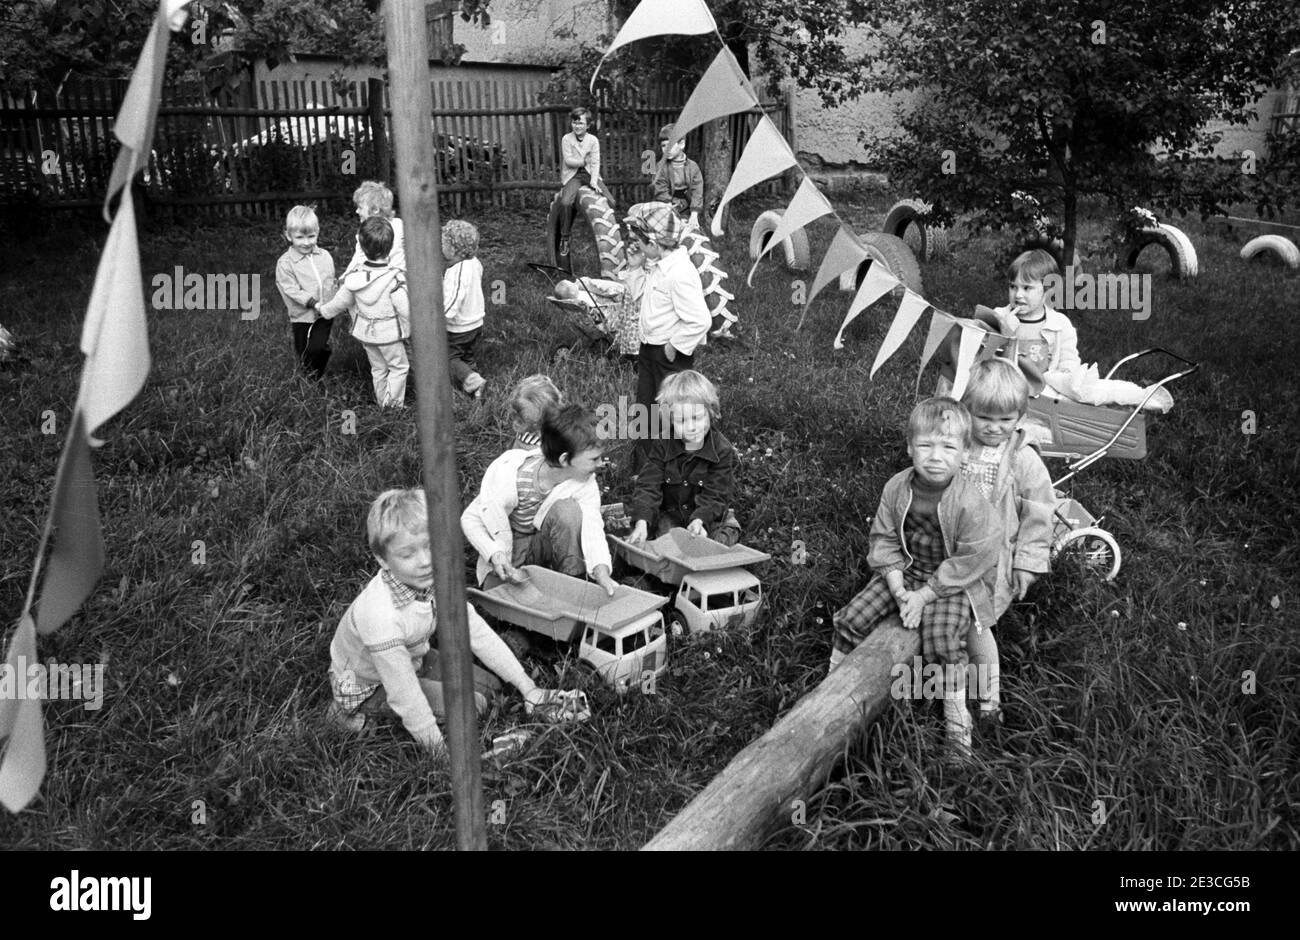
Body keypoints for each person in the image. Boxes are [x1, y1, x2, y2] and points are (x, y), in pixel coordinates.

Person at [828, 398, 1002, 757]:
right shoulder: (897, 488)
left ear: (965, 453)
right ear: (910, 447)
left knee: (940, 640)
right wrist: (898, 588)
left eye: (948, 447)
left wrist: (924, 596)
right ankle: (830, 694)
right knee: (852, 618)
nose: (935, 456)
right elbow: (884, 538)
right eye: (925, 445)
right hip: (906, 570)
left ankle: (958, 725)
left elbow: (974, 557)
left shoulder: (970, 503)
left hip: (950, 583)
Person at [326, 488, 555, 752]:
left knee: (492, 689)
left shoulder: (435, 579)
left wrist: (528, 688)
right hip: (371, 683)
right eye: (407, 554)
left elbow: (475, 632)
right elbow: (405, 695)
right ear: (382, 559)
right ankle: (350, 715)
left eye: (430, 545)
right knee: (475, 707)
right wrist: (440, 755)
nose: (425, 561)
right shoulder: (381, 618)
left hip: (413, 658)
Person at [959, 358, 1055, 727]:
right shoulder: (958, 445)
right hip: (951, 552)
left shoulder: (1023, 460)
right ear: (967, 410)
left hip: (991, 563)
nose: (994, 428)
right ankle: (943, 677)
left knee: (977, 625)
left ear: (1020, 416)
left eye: (1005, 419)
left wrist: (1027, 561)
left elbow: (1039, 511)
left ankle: (988, 703)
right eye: (984, 417)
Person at [462, 404, 617, 594]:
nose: (601, 464)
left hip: (541, 545)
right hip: (509, 554)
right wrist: (494, 554)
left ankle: (571, 586)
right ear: (564, 460)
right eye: (594, 459)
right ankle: (520, 589)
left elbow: (592, 526)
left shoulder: (585, 483)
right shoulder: (511, 476)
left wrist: (601, 570)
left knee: (569, 512)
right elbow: (470, 518)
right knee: (503, 592)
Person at [624, 202, 712, 456]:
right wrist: (634, 268)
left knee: (675, 411)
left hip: (670, 356)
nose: (633, 244)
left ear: (653, 242)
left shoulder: (679, 273)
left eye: (637, 240)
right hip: (649, 349)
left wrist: (673, 346)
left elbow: (700, 320)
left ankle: (680, 462)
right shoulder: (658, 266)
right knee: (646, 408)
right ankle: (645, 463)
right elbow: (639, 295)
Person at [628, 370, 741, 546]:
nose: (690, 427)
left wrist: (700, 520)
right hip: (673, 517)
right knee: (667, 539)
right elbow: (648, 485)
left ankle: (709, 549)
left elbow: (716, 494)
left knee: (725, 534)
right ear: (670, 420)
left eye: (697, 418)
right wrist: (642, 520)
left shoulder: (722, 451)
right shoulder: (662, 444)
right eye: (681, 421)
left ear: (710, 412)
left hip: (709, 516)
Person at [318, 216, 409, 408]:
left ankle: (381, 401)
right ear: (391, 246)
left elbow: (339, 303)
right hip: (389, 335)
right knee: (399, 367)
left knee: (378, 368)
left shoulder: (354, 277)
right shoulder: (395, 278)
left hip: (366, 334)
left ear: (361, 244)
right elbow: (405, 309)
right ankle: (391, 407)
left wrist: (323, 310)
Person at [993, 249, 1081, 379]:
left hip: (1044, 394)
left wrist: (1066, 375)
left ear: (1048, 290)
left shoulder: (1060, 325)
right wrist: (1005, 333)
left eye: (1027, 288)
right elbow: (984, 360)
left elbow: (1069, 362)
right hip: (1004, 391)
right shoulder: (998, 316)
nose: (1018, 295)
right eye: (1013, 287)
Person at [274, 205, 336, 379]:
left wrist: (334, 300)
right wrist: (312, 302)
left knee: (316, 347)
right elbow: (291, 289)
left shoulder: (325, 256)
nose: (306, 242)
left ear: (318, 232)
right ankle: (311, 379)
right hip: (301, 315)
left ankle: (314, 376)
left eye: (311, 236)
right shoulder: (285, 263)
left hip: (325, 313)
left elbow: (330, 280)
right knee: (304, 352)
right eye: (300, 237)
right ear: (289, 236)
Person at [442, 219, 487, 398]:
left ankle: (473, 380)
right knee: (466, 354)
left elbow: (453, 301)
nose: (441, 247)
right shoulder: (474, 262)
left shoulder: (458, 271)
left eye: (443, 243)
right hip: (475, 322)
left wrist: (440, 318)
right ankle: (475, 384)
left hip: (460, 326)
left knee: (449, 358)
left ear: (454, 249)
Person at [557, 107, 609, 257]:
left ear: (588, 125)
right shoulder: (567, 139)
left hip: (589, 174)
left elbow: (595, 162)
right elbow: (568, 161)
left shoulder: (593, 140)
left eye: (580, 123)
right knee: (566, 202)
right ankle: (565, 237)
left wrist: (593, 181)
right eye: (575, 122)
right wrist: (583, 161)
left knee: (609, 200)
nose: (577, 126)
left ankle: (611, 238)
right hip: (573, 175)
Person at [344, 180, 405, 276]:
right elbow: (357, 260)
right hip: (372, 281)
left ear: (375, 209)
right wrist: (344, 277)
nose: (356, 211)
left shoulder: (398, 226)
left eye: (360, 207)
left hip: (396, 281)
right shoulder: (365, 233)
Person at [652, 123, 704, 230]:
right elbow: (661, 193)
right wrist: (676, 218)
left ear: (681, 144)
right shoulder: (660, 168)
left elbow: (697, 191)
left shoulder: (693, 167)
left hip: (688, 207)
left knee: (694, 230)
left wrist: (694, 215)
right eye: (663, 146)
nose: (666, 149)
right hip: (666, 207)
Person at [508, 375, 563, 451]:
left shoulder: (546, 445)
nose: (515, 423)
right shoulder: (526, 429)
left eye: (521, 421)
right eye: (514, 416)